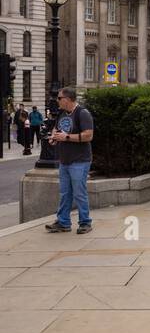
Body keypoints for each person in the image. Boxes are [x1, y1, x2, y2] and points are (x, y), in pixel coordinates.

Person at [45, 87, 94, 234]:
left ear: (67, 99)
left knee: (79, 193)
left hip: (79, 160)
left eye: (59, 98)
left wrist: (66, 137)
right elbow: (57, 129)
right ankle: (63, 222)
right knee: (65, 193)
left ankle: (85, 222)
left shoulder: (83, 113)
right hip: (64, 160)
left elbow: (88, 135)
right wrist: (54, 138)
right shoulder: (61, 114)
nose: (57, 101)